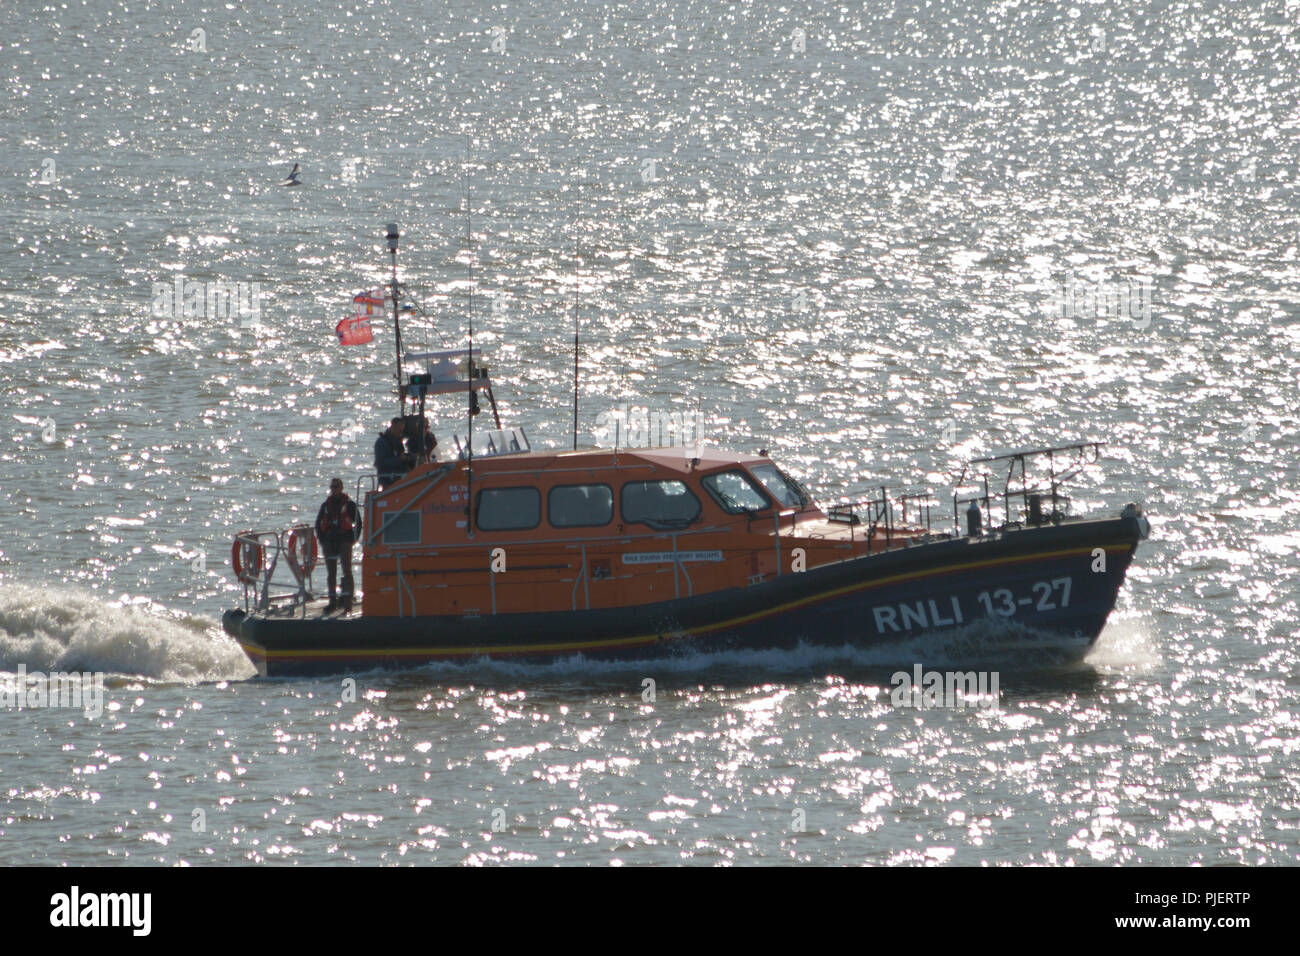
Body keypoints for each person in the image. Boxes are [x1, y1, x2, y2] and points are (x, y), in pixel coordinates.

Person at [315, 478, 361, 612]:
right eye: (332, 487)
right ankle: (332, 602)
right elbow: (318, 524)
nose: (333, 489)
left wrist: (354, 539)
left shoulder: (350, 505)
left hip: (345, 541)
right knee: (331, 573)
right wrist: (322, 540)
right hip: (329, 542)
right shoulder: (325, 505)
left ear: (341, 488)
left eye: (336, 487)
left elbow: (359, 523)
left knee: (347, 571)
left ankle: (348, 601)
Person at [374, 417, 410, 489]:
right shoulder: (381, 442)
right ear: (392, 426)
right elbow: (380, 462)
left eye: (401, 430)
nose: (400, 432)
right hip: (387, 477)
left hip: (400, 475)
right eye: (399, 430)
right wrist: (399, 459)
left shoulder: (398, 441)